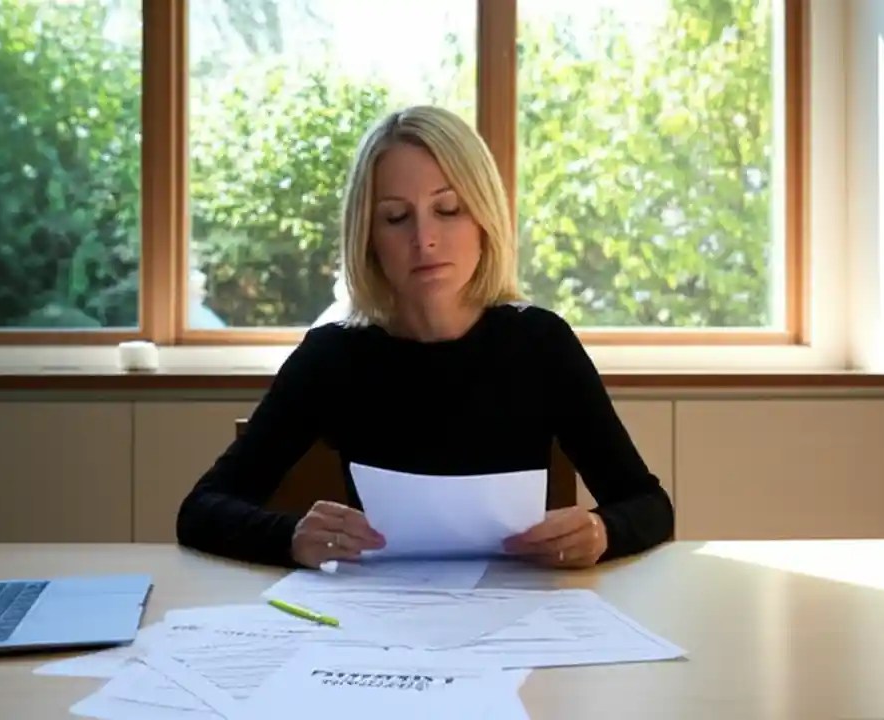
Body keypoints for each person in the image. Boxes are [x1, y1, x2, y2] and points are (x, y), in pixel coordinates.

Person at [176, 105, 674, 570]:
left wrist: (601, 531)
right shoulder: (333, 356)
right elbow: (201, 509)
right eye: (396, 217)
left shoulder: (541, 344)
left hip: (522, 611)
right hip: (376, 616)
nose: (425, 239)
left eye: (448, 209)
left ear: (484, 218)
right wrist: (289, 537)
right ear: (368, 238)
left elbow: (649, 504)